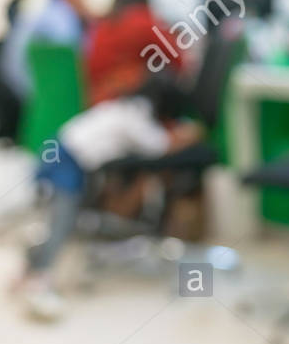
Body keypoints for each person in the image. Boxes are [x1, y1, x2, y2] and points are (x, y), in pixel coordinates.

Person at [16, 74, 204, 320]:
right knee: (61, 223)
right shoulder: (135, 117)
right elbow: (159, 146)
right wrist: (191, 133)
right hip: (68, 161)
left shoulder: (120, 106)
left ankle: (29, 271)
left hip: (59, 148)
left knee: (57, 221)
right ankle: (39, 279)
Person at [84, 0, 181, 105]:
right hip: (125, 102)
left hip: (94, 99)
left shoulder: (104, 24)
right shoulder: (143, 20)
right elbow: (178, 60)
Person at [0, 0, 87, 100]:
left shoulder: (46, 10)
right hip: (34, 89)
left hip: (17, 83)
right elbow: (76, 54)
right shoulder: (60, 17)